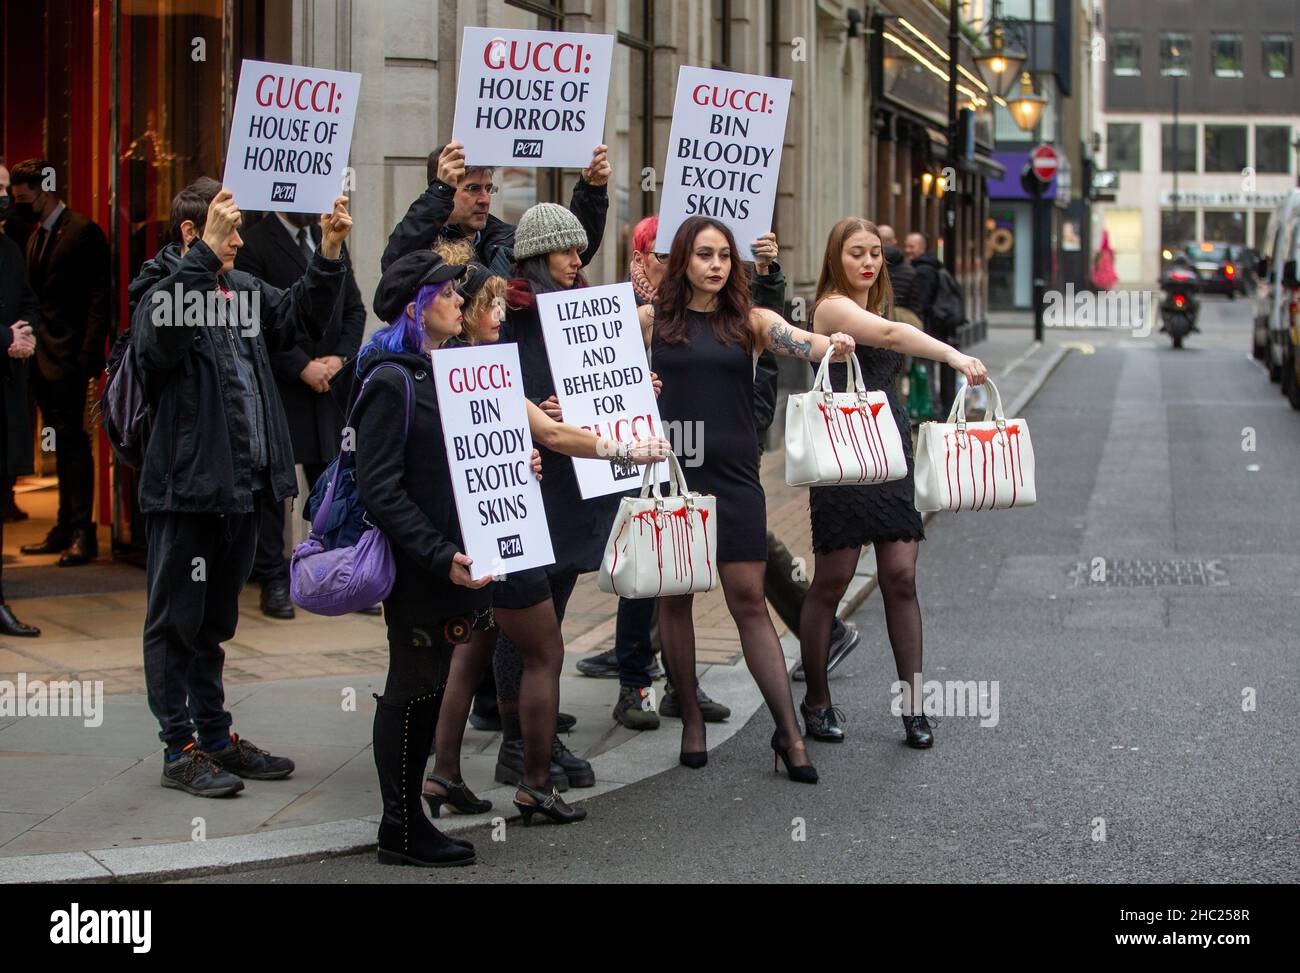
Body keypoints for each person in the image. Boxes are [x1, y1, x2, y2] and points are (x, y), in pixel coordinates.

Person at [416, 240, 668, 822]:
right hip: (506, 527)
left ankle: (445, 774)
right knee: (544, 651)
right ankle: (533, 783)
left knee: (471, 649)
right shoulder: (482, 368)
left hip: (471, 533)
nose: (501, 314)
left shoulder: (445, 366)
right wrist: (626, 446)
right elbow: (554, 437)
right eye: (490, 306)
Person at [130, 179, 352, 796]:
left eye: (236, 228)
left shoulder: (240, 288)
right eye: (226, 229)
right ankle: (180, 747)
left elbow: (299, 316)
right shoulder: (159, 290)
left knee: (214, 621)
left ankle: (216, 736)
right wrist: (203, 257)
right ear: (190, 234)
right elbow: (158, 343)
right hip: (187, 488)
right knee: (176, 620)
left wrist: (329, 252)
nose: (237, 241)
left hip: (242, 488)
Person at [635, 214, 857, 782]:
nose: (715, 265)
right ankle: (690, 718)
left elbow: (803, 343)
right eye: (704, 254)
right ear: (682, 259)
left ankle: (787, 733)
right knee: (677, 598)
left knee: (749, 600)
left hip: (735, 477)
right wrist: (640, 387)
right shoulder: (648, 322)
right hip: (670, 473)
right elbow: (600, 382)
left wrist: (831, 344)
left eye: (724, 256)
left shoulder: (751, 321)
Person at [800, 218, 987, 748]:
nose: (868, 262)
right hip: (843, 454)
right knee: (832, 580)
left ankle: (913, 706)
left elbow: (890, 333)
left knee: (901, 577)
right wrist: (953, 354)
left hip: (888, 451)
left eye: (876, 254)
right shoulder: (833, 307)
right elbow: (887, 335)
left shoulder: (878, 306)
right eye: (856, 252)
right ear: (836, 259)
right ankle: (816, 700)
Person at [234, 209, 367, 619]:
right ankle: (274, 578)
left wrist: (339, 358)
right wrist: (301, 366)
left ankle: (343, 569)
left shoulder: (327, 236)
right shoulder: (254, 243)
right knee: (278, 491)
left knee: (332, 482)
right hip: (282, 386)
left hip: (329, 389)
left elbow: (354, 309)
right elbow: (257, 320)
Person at [10, 160, 110, 567]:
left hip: (69, 361)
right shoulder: (36, 237)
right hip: (41, 362)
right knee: (57, 445)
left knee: (74, 447)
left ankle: (81, 531)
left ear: (45, 190)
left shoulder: (82, 233)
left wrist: (87, 360)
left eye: (23, 197)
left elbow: (97, 301)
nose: (19, 205)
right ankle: (64, 525)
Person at [380, 141, 611, 276]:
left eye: (488, 188)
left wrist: (591, 190)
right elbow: (394, 268)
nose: (484, 199)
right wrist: (439, 193)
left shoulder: (508, 239)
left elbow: (574, 252)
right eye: (472, 188)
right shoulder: (423, 246)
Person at [0, 229, 39, 635]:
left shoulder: (10, 248)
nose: (5, 196)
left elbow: (28, 301)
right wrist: (5, 338)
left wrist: (25, 335)